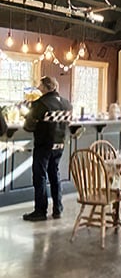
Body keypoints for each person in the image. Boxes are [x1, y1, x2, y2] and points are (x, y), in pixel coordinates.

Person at [22, 75, 72, 221]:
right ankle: (58, 208)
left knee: (40, 176)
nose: (38, 87)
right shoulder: (67, 104)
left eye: (39, 85)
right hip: (59, 144)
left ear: (44, 87)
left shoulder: (40, 104)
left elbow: (28, 126)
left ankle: (40, 211)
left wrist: (26, 115)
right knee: (55, 175)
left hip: (44, 145)